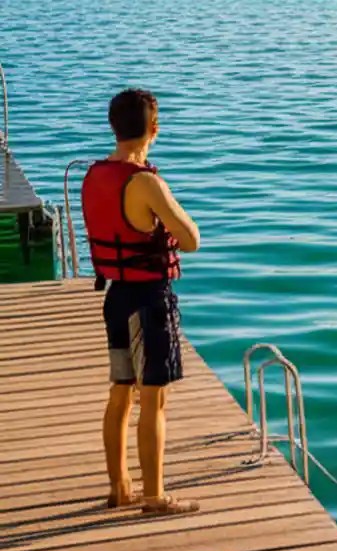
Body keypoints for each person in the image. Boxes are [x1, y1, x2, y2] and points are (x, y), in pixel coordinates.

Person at [82, 87, 200, 514]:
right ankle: (155, 495)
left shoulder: (94, 175)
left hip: (115, 297)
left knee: (120, 393)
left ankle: (120, 487)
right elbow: (190, 240)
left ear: (114, 127)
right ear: (154, 127)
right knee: (153, 398)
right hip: (149, 300)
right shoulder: (146, 182)